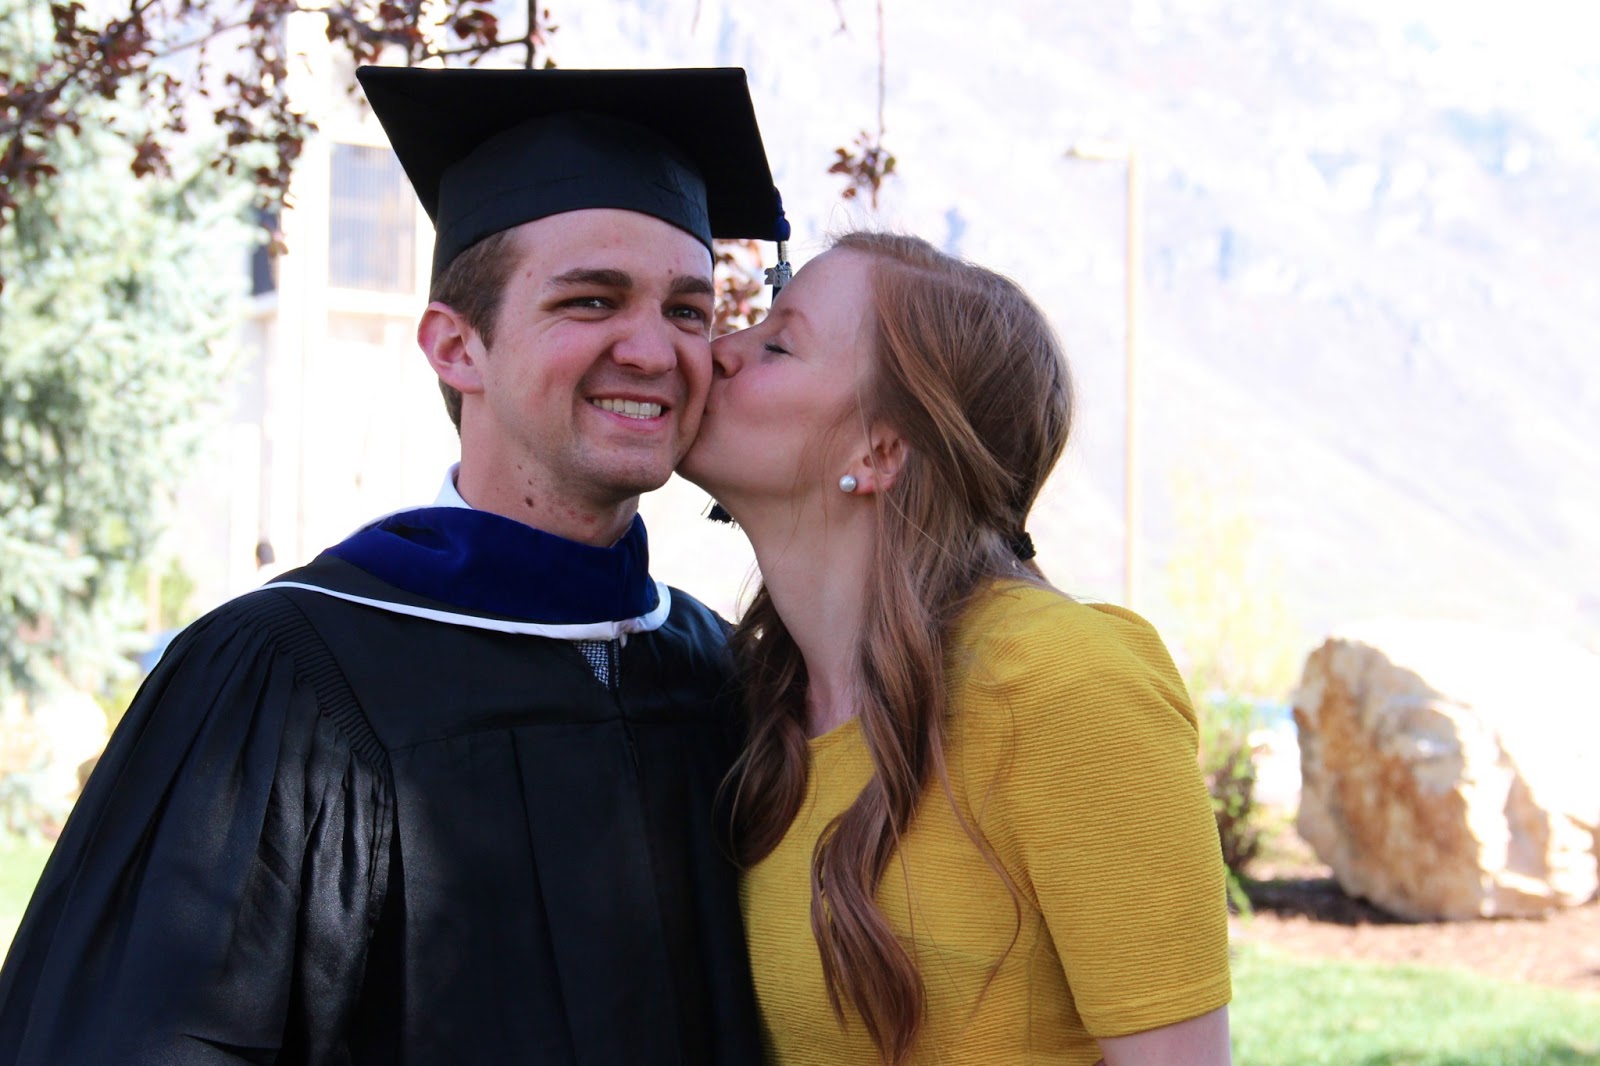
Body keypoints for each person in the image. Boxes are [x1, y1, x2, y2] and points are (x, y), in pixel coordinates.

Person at [0, 66, 788, 1065]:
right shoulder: (279, 680)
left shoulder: (720, 672)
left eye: (686, 309)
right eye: (592, 301)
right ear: (456, 346)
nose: (654, 348)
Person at [679, 231, 1233, 1065]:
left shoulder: (1060, 682)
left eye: (778, 343)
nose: (718, 351)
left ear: (880, 452)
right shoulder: (751, 699)